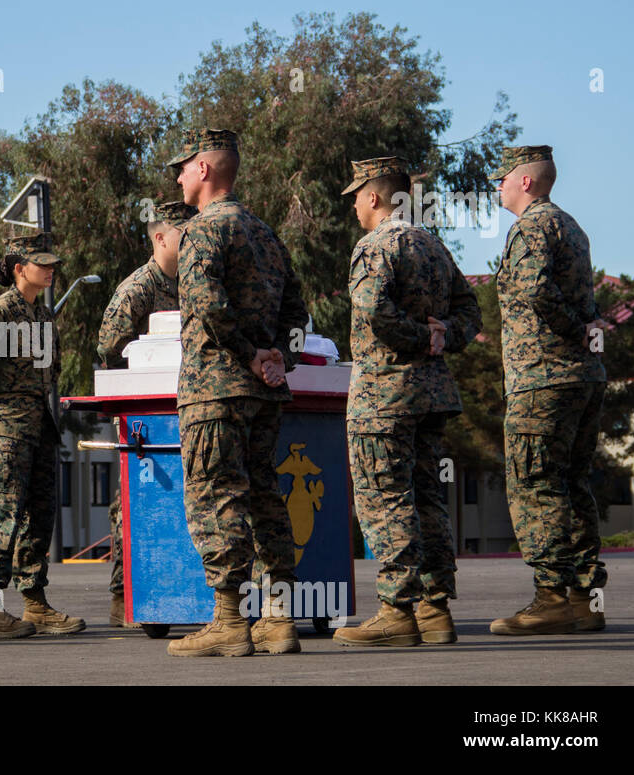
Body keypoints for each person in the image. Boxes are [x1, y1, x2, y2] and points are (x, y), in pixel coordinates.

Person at [166, 128, 309, 657]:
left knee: (216, 494)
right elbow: (297, 311)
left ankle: (229, 622)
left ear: (204, 170)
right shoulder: (266, 234)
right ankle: (279, 620)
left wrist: (251, 354)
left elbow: (206, 301)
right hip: (262, 395)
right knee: (265, 497)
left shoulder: (202, 231)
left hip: (215, 391)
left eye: (183, 167)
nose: (179, 177)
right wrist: (278, 360)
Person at [332, 157, 482, 647]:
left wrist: (420, 337)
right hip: (431, 395)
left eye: (357, 194)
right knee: (426, 497)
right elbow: (470, 309)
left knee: (385, 497)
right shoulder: (432, 245)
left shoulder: (375, 246)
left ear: (374, 196)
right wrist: (443, 338)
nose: (354, 204)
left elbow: (373, 308)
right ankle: (434, 609)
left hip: (383, 397)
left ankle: (396, 611)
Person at [488, 145, 608, 635]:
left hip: (543, 376)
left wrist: (573, 325)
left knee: (535, 484)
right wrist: (584, 328)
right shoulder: (572, 227)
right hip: (581, 377)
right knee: (573, 484)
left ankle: (551, 598)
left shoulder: (532, 227)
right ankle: (585, 598)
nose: (497, 187)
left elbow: (536, 291)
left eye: (502, 179)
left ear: (526, 182)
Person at [0, 232, 85, 638]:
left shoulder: (43, 316)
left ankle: (35, 604)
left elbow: (54, 368)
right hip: (5, 430)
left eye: (52, 264)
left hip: (38, 427)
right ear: (19, 268)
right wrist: (1, 394)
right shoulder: (0, 312)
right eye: (42, 263)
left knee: (38, 515)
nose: (50, 270)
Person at [97, 200, 195, 627]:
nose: (191, 241)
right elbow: (108, 349)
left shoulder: (198, 281)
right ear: (160, 238)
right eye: (182, 234)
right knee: (132, 508)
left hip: (193, 408)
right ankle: (127, 597)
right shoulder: (137, 289)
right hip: (146, 417)